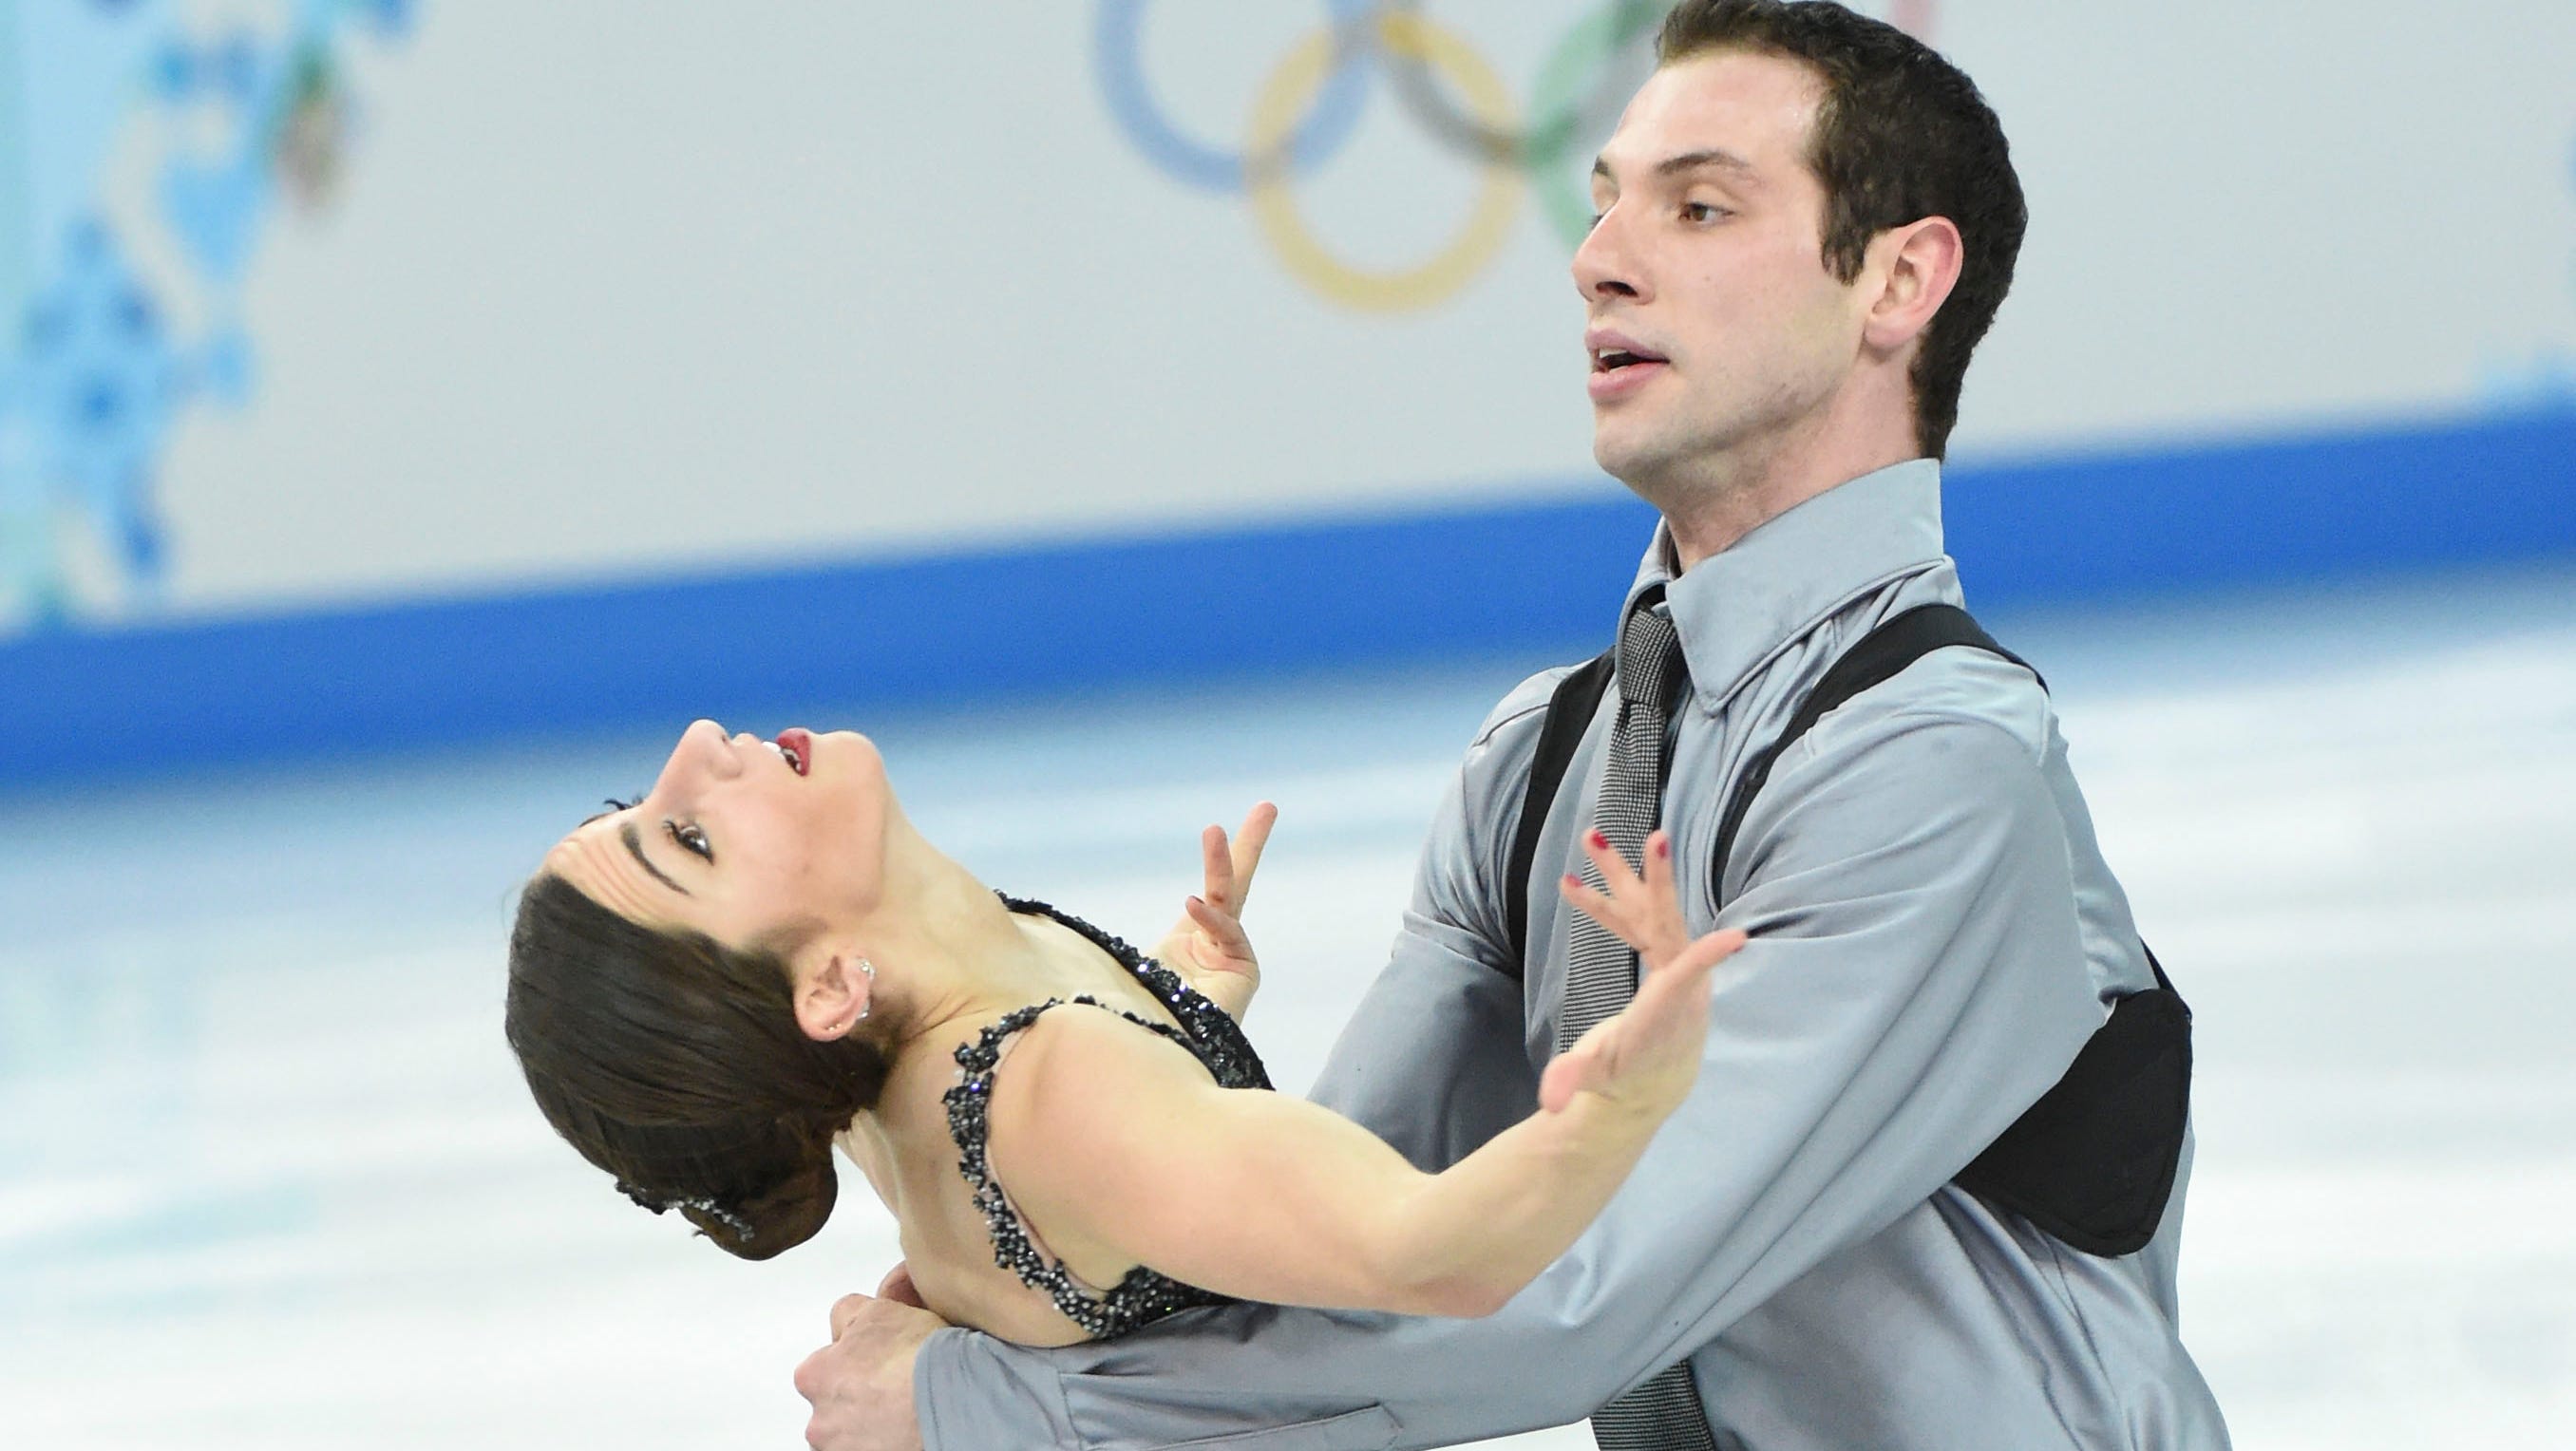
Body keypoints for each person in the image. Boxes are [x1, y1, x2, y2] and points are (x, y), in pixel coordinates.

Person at [791, 2, 2231, 1447]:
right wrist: (999, 1183)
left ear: (1899, 281)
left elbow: (1579, 1304)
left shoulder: (1933, 763)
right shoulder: (1536, 763)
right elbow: (1329, 1248)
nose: (1599, 258)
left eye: (1702, 206)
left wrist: (997, 1412)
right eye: (1607, 203)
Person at [505, 718, 1750, 1348]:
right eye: (692, 840)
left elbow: (1113, 1206)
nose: (692, 750)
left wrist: (1183, 995)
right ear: (827, 989)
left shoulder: (870, 1069)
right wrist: (1631, 1097)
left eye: (642, 806)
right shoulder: (1059, 1096)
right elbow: (1439, 1262)